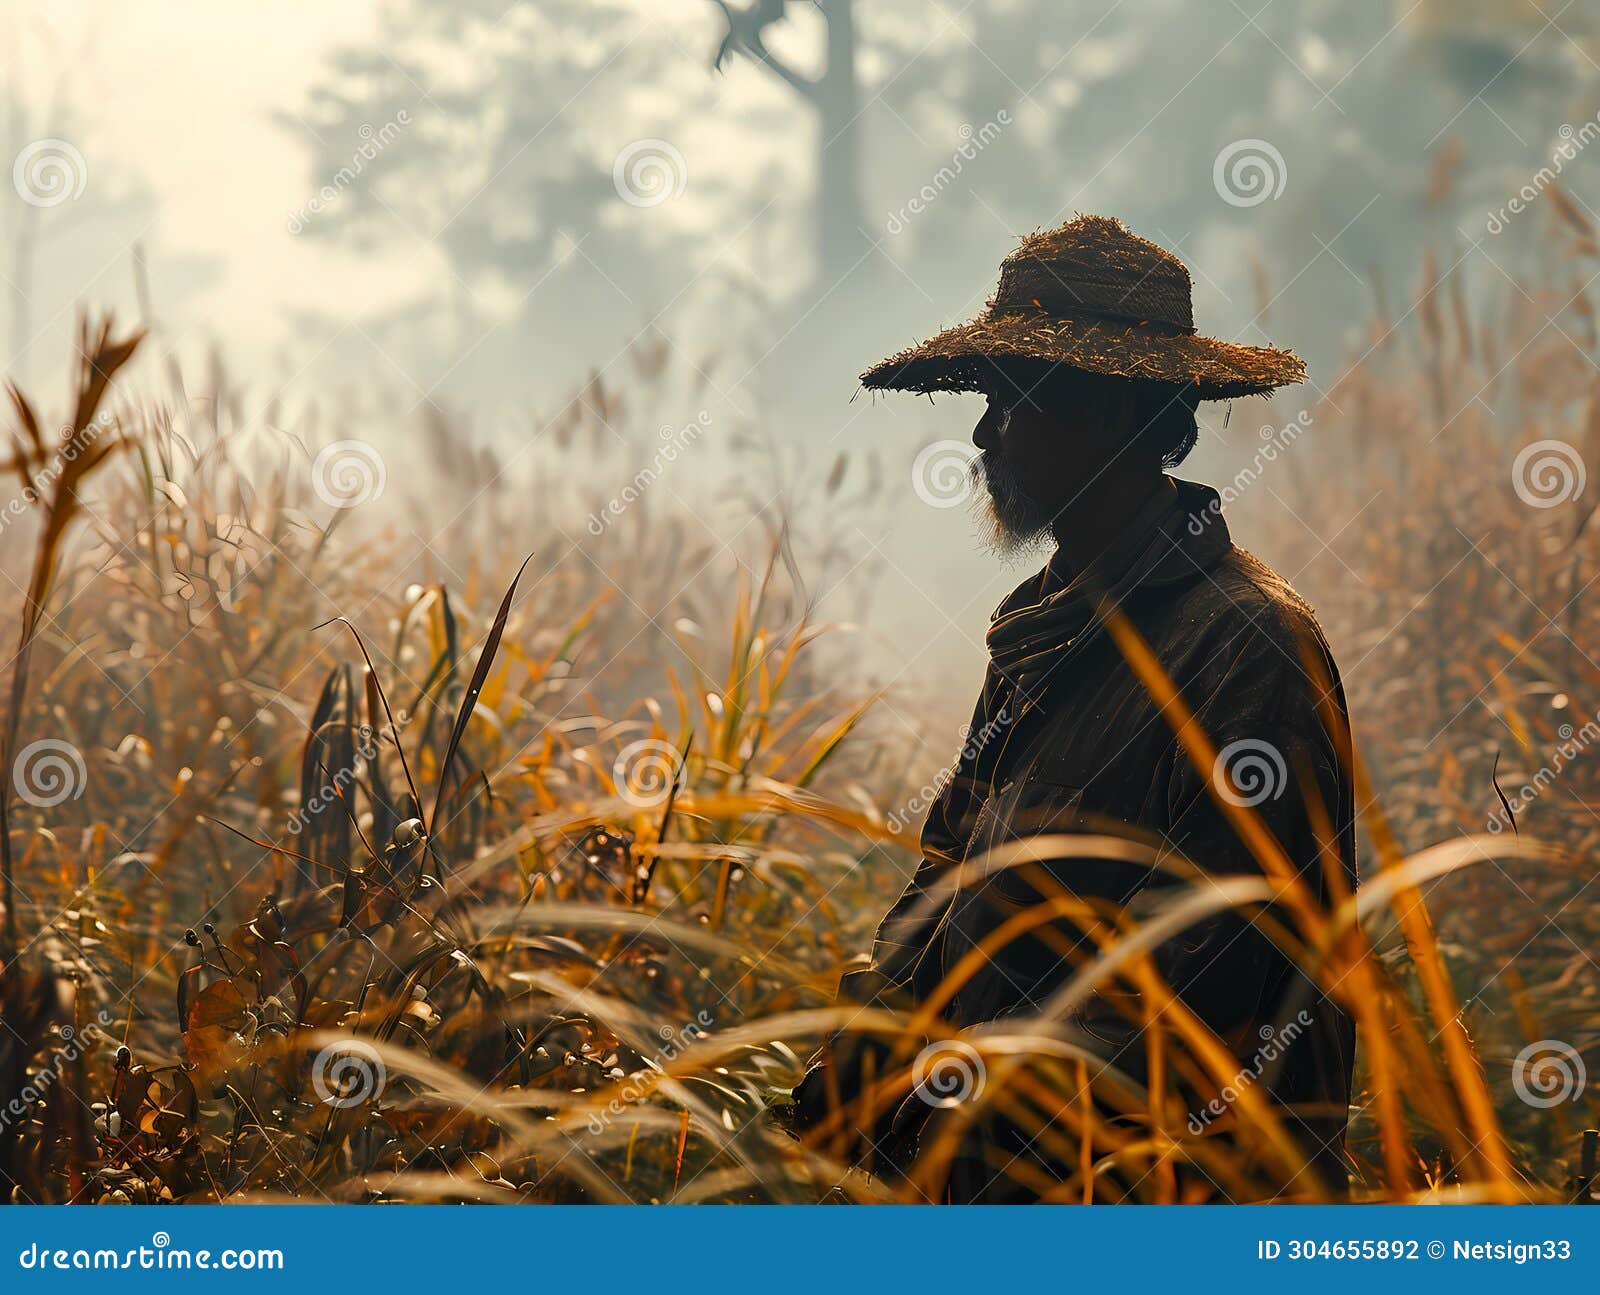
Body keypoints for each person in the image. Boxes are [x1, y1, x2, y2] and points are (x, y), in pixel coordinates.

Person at [791, 214, 1357, 1203]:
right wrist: (866, 1045)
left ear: (1103, 413)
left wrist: (973, 1088)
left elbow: (1217, 964)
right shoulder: (1040, 625)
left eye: (1007, 402)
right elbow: (951, 871)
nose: (979, 434)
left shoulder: (1248, 646)